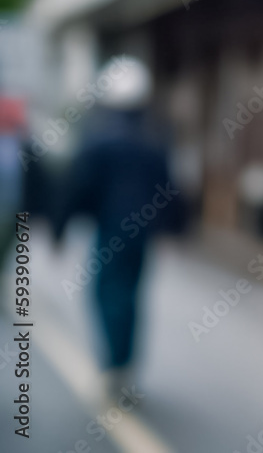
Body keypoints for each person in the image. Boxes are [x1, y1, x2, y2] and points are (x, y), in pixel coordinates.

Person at [53, 56, 185, 395]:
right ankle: (124, 365)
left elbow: (77, 187)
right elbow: (170, 188)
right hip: (141, 234)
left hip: (111, 230)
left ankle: (114, 366)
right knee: (130, 295)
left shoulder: (99, 141)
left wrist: (60, 227)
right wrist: (173, 229)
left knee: (107, 294)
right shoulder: (153, 142)